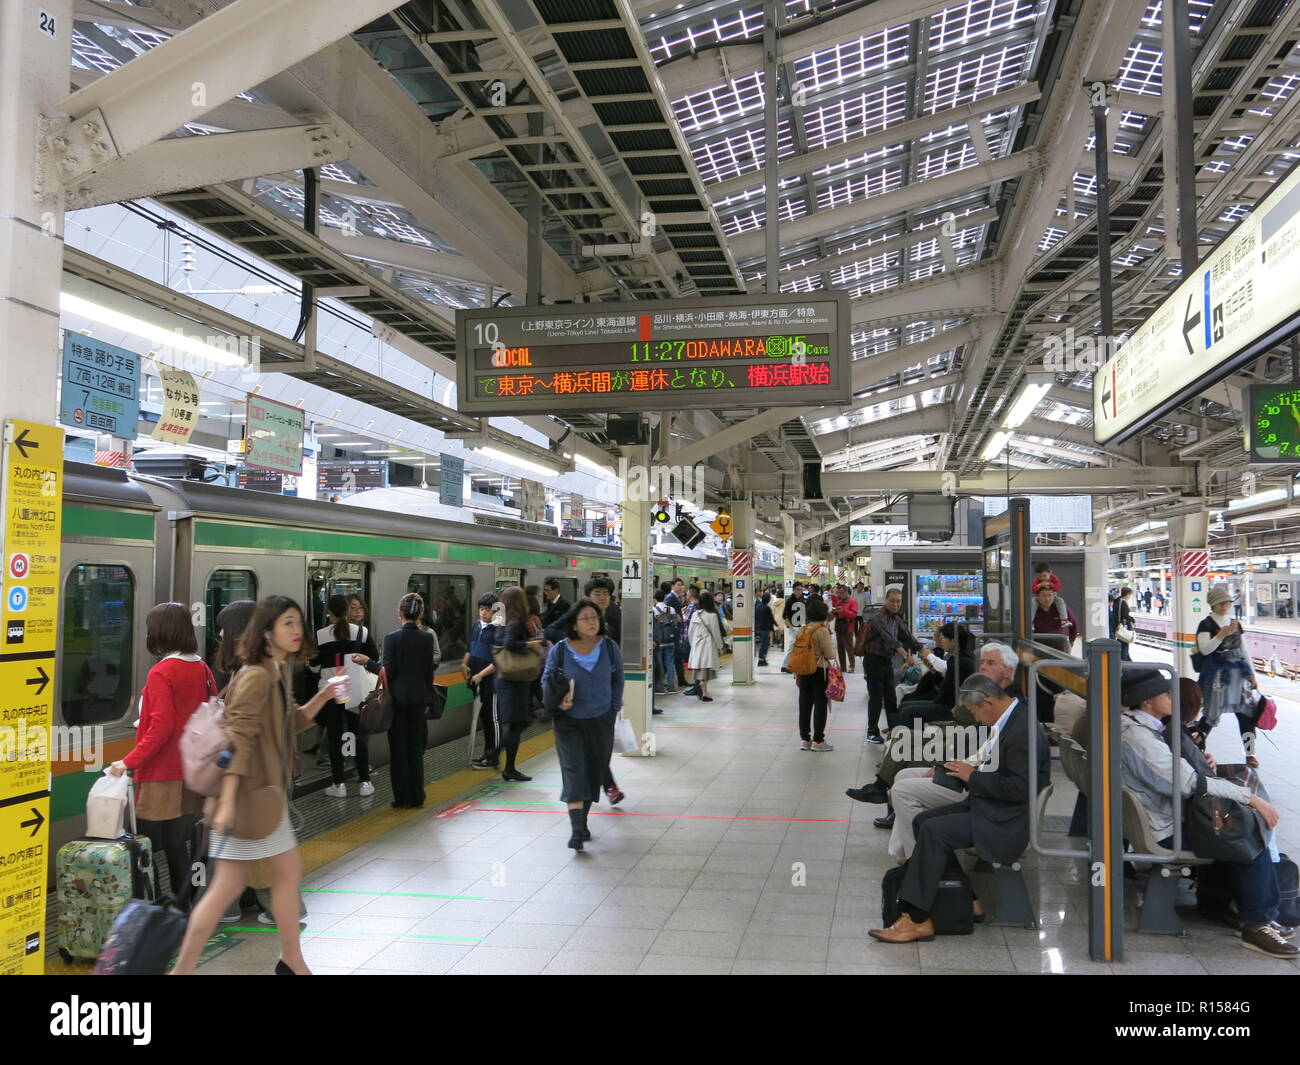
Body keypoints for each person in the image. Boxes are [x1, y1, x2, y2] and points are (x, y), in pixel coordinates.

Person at [171, 595, 350, 974]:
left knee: (242, 886)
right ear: (266, 631)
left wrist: (325, 693)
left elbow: (291, 724)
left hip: (261, 797)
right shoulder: (254, 676)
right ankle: (290, 961)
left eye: (298, 622)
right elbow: (238, 741)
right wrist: (230, 801)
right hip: (250, 800)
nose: (297, 630)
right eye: (287, 623)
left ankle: (289, 960)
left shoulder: (275, 671)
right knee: (262, 882)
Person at [1117, 669, 1295, 958]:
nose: (1173, 698)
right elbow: (1189, 784)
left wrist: (1199, 762)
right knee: (1247, 837)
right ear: (1147, 701)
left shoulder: (1139, 728)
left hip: (1158, 821)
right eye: (1166, 693)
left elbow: (1176, 774)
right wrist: (1250, 798)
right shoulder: (1140, 738)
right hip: (1165, 831)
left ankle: (1235, 908)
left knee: (1233, 829)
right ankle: (1257, 923)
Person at [868, 673, 1049, 943]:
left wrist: (971, 776)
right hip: (991, 808)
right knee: (922, 822)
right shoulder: (1014, 718)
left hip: (1004, 822)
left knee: (933, 829)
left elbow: (1018, 788)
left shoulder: (1022, 730)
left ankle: (916, 919)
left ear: (987, 702)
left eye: (975, 711)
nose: (975, 718)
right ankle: (967, 897)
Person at [108, 603, 213, 910]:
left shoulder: (162, 671)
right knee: (177, 845)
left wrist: (128, 761)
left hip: (161, 773)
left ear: (161, 632)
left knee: (143, 845)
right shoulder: (201, 668)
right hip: (192, 771)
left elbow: (161, 726)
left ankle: (149, 911)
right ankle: (182, 910)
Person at [847, 640, 1020, 825]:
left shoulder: (1004, 701)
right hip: (957, 736)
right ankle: (881, 789)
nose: (984, 668)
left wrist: (943, 763)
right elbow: (960, 713)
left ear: (1008, 671)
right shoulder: (986, 687)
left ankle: (890, 802)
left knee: (905, 755)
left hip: (960, 746)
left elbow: (968, 723)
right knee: (901, 736)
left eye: (991, 663)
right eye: (983, 663)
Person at [542, 600, 623, 851]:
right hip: (568, 722)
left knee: (593, 772)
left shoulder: (609, 647)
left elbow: (618, 680)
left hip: (601, 720)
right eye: (585, 618)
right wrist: (558, 702)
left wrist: (612, 710)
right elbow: (546, 680)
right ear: (574, 624)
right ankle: (576, 830)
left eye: (594, 617)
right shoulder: (561, 651)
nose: (591, 622)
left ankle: (583, 821)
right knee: (574, 770)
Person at [468, 586, 542, 781]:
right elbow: (508, 644)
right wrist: (529, 644)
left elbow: (499, 644)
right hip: (515, 679)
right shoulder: (515, 622)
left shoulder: (502, 622)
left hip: (505, 678)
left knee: (519, 723)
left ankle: (506, 763)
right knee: (519, 723)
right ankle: (498, 756)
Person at [310, 594, 377, 798]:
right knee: (357, 734)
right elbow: (372, 660)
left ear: (329, 612)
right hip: (353, 688)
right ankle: (365, 781)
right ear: (347, 611)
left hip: (331, 689)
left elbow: (314, 667)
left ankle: (338, 784)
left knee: (334, 736)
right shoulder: (362, 633)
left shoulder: (320, 635)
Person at [384, 592, 438, 809]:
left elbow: (389, 671)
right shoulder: (427, 638)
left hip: (397, 700)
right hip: (419, 699)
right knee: (415, 748)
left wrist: (368, 663)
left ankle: (402, 797)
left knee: (398, 749)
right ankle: (417, 796)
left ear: (399, 613)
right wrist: (427, 697)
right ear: (421, 614)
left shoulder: (391, 639)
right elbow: (429, 673)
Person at [855, 585, 922, 744]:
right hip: (873, 661)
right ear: (886, 601)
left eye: (898, 601)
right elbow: (890, 639)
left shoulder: (896, 618)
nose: (896, 604)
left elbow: (907, 636)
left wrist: (921, 649)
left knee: (890, 697)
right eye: (892, 601)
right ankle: (872, 732)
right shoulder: (878, 617)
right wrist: (906, 655)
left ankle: (894, 728)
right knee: (876, 698)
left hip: (886, 661)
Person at [888, 622, 977, 730]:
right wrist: (933, 671)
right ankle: (905, 736)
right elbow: (947, 681)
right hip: (943, 701)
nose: (942, 641)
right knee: (905, 706)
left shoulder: (962, 660)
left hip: (950, 707)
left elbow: (947, 677)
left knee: (908, 711)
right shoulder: (958, 657)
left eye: (944, 638)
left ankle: (907, 741)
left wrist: (928, 655)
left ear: (953, 640)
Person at [1196, 585, 1257, 737]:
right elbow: (1204, 650)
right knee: (1211, 714)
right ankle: (1197, 746)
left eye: (1228, 603)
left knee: (1246, 714)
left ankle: (1250, 752)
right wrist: (1220, 636)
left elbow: (1243, 649)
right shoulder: (1206, 624)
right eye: (1221, 603)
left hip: (1239, 675)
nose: (1225, 606)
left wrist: (1252, 674)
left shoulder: (1235, 623)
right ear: (1213, 605)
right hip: (1216, 675)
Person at [793, 596, 836, 752]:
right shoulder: (822, 630)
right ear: (823, 615)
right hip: (819, 671)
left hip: (803, 670)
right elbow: (830, 654)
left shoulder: (803, 629)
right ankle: (818, 741)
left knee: (804, 705)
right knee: (820, 705)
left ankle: (805, 739)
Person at [1031, 583, 1078, 724]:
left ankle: (1057, 725)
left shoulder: (1060, 609)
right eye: (1044, 595)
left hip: (1059, 658)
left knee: (1059, 691)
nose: (1047, 599)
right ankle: (1044, 723)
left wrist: (1070, 643)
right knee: (1041, 692)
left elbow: (1074, 625)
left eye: (1050, 595)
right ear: (1038, 597)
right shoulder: (1032, 611)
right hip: (1039, 659)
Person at [466, 594, 501, 770]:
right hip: (475, 681)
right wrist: (464, 664)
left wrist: (481, 674)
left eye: (487, 610)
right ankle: (487, 753)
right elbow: (469, 648)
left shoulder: (499, 630)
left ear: (496, 610)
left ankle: (494, 757)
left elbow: (498, 660)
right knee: (485, 719)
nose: (483, 613)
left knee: (493, 719)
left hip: (492, 683)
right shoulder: (476, 626)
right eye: (481, 609)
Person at [688, 590, 724, 702]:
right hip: (708, 646)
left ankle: (704, 692)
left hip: (697, 644)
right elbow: (716, 633)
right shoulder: (712, 615)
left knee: (700, 670)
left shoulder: (695, 614)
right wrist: (720, 646)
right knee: (706, 670)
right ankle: (704, 692)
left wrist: (692, 645)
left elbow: (690, 632)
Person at [652, 589, 680, 697]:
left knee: (658, 664)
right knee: (670, 663)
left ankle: (659, 688)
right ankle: (671, 687)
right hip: (670, 640)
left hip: (658, 642)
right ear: (664, 597)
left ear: (655, 598)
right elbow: (676, 623)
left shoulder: (653, 610)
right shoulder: (671, 609)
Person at [831, 583, 859, 674]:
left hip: (848, 628)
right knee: (840, 648)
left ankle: (852, 665)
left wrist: (844, 611)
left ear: (847, 592)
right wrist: (834, 612)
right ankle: (842, 667)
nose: (840, 594)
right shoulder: (839, 602)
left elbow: (854, 614)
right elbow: (835, 614)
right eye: (838, 592)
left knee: (849, 648)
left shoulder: (852, 602)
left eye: (842, 592)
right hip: (839, 627)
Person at [1112, 586, 1136, 661]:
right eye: (1130, 594)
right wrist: (1132, 620)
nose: (1130, 596)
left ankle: (1127, 661)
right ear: (1127, 594)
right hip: (1122, 627)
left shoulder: (1117, 601)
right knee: (1124, 645)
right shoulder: (1123, 602)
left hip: (1117, 627)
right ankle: (1124, 664)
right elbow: (1125, 615)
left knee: (1122, 645)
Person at [754, 592, 776, 667]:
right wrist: (776, 626)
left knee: (763, 644)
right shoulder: (767, 608)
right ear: (768, 600)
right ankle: (761, 660)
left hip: (757, 628)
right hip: (764, 629)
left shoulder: (757, 606)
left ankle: (762, 659)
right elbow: (771, 619)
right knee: (765, 644)